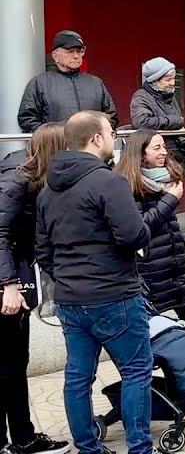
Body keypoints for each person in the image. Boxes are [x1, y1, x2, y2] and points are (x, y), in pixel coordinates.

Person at [35, 112, 152, 454]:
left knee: (77, 378)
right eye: (111, 132)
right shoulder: (107, 181)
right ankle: (140, 449)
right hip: (114, 295)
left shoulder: (48, 189)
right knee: (135, 372)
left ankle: (88, 448)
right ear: (96, 139)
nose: (114, 138)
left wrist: (69, 278)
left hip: (71, 299)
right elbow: (133, 235)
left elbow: (43, 250)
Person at [0, 124, 69, 454]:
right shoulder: (15, 181)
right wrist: (8, 285)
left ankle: (24, 438)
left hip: (18, 273)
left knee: (16, 363)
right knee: (4, 366)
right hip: (7, 281)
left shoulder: (38, 179)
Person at [115, 130, 185, 331]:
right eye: (157, 147)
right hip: (151, 268)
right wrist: (170, 200)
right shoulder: (127, 184)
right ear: (141, 153)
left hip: (175, 265)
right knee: (153, 327)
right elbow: (140, 225)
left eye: (163, 146)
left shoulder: (167, 179)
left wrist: (181, 243)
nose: (164, 152)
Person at [17, 31, 117, 133]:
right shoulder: (39, 83)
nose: (76, 56)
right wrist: (52, 138)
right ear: (55, 56)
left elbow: (111, 117)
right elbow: (27, 119)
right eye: (70, 51)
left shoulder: (96, 83)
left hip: (91, 146)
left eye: (79, 51)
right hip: (56, 147)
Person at [129, 56, 185, 166]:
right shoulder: (141, 97)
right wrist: (173, 121)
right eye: (168, 79)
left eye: (173, 78)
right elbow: (141, 122)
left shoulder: (169, 95)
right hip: (159, 156)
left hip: (179, 153)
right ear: (154, 81)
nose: (172, 83)